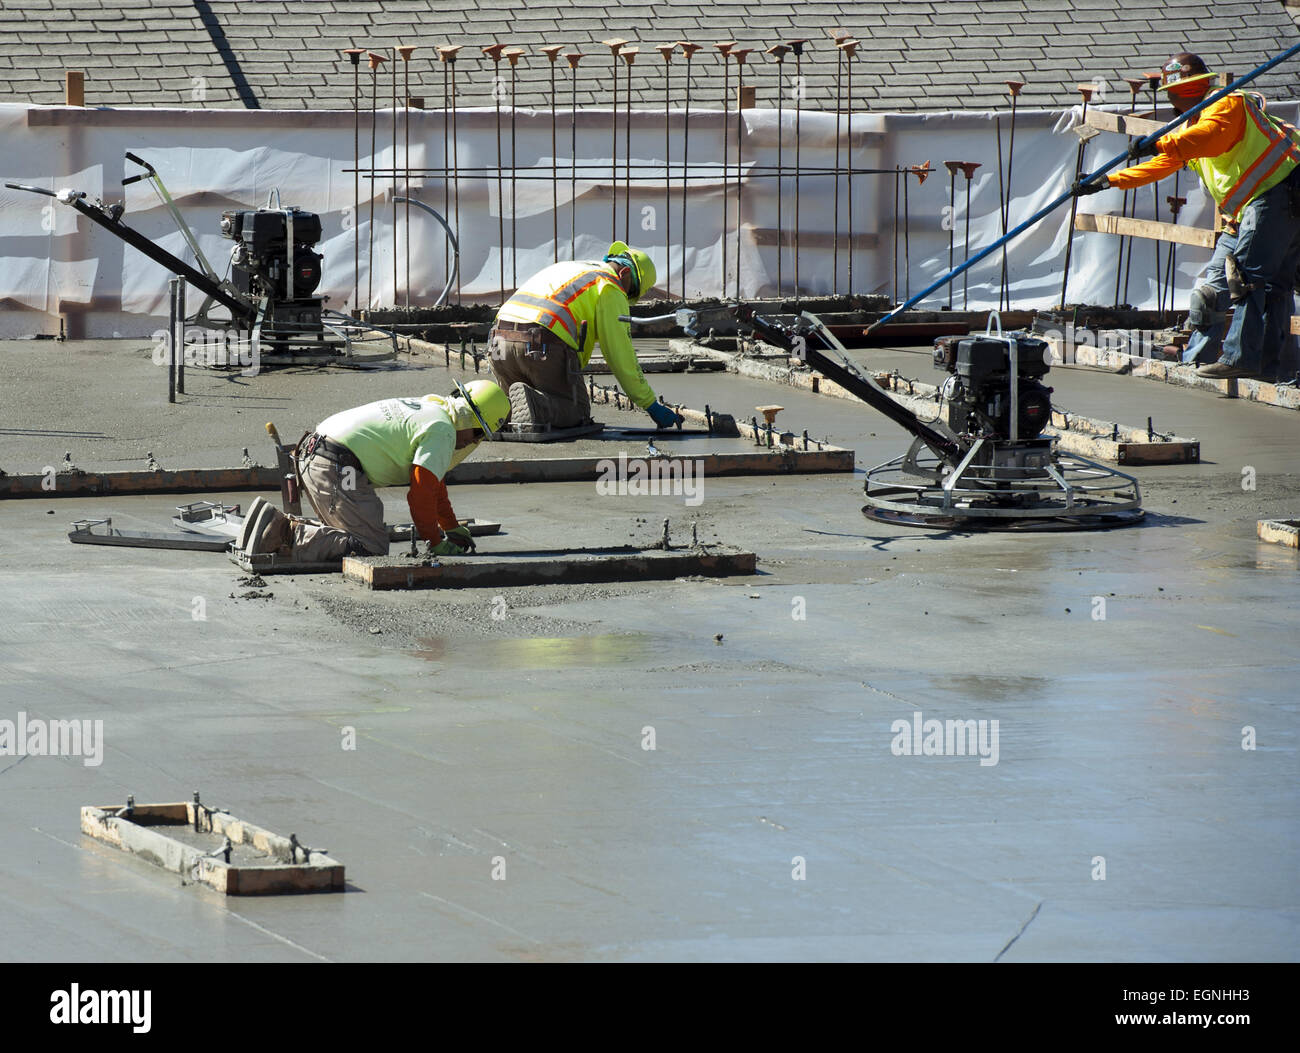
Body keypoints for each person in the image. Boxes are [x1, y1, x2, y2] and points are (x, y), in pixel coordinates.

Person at [1080, 53, 1300, 380]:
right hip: (1247, 211)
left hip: (1276, 194)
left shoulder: (1226, 104)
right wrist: (1110, 180)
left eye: (1171, 95)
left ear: (1183, 92)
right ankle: (1204, 362)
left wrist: (1159, 143)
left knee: (1250, 279)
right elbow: (1169, 161)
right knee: (1216, 290)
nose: (1170, 103)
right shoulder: (1190, 124)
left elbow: (1210, 137)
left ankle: (1243, 359)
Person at [237, 379, 510, 559]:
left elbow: (432, 484)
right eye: (478, 434)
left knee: (348, 538)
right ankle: (282, 532)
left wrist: (449, 526)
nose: (474, 442)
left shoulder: (431, 408)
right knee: (370, 548)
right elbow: (420, 495)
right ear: (472, 422)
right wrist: (436, 543)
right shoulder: (444, 430)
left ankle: (277, 529)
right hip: (336, 466)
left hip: (316, 455)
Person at [488, 240, 684, 430]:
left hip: (497, 343)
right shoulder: (610, 286)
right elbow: (620, 355)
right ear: (624, 273)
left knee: (515, 401)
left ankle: (492, 410)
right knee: (576, 411)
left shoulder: (570, 269)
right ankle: (536, 407)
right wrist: (650, 404)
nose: (626, 298)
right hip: (541, 344)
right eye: (630, 293)